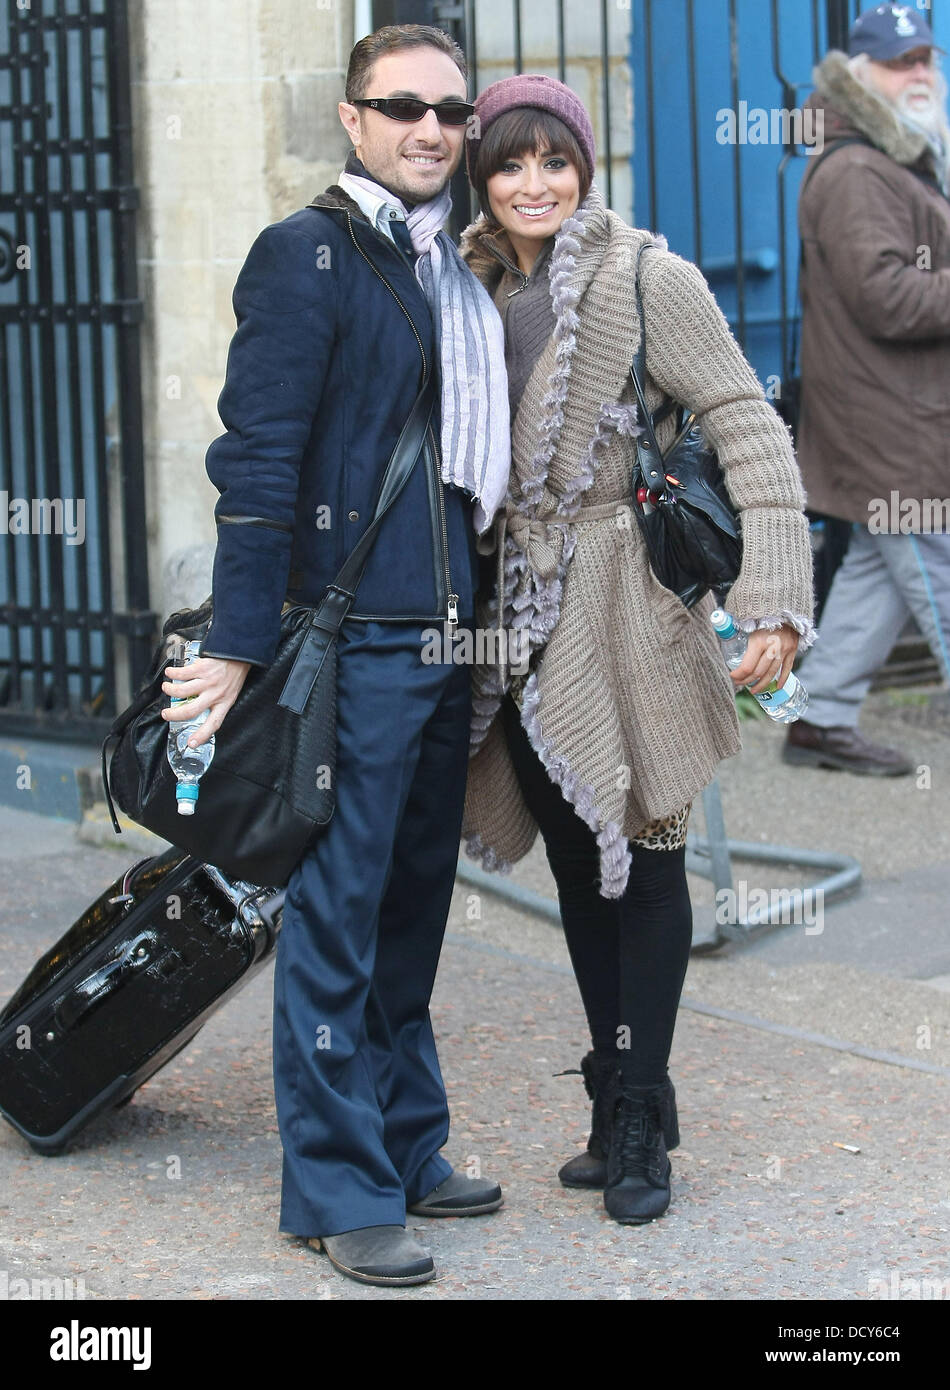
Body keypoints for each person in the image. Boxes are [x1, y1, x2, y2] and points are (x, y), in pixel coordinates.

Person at [161, 25, 509, 1288]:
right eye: (401, 106)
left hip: (443, 637)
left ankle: (407, 1144)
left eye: (449, 111)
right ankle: (335, 1185)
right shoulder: (305, 254)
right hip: (349, 642)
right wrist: (240, 641)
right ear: (352, 120)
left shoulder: (450, 268)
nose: (431, 128)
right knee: (336, 915)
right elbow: (255, 460)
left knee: (412, 909)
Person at [459, 75, 816, 1224]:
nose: (532, 185)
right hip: (520, 602)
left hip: (629, 601)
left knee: (648, 852)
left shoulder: (645, 279)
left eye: (553, 162)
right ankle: (610, 1079)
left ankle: (639, 1116)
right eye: (509, 164)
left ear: (584, 168)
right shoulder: (464, 286)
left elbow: (744, 421)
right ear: (482, 177)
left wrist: (772, 597)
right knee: (576, 861)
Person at [785, 2, 950, 776]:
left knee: (881, 573)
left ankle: (815, 717)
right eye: (899, 61)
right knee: (938, 576)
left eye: (926, 57)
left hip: (900, 421)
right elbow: (888, 297)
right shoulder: (857, 168)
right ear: (861, 75)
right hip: (896, 433)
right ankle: (813, 717)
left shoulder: (892, 153)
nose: (918, 73)